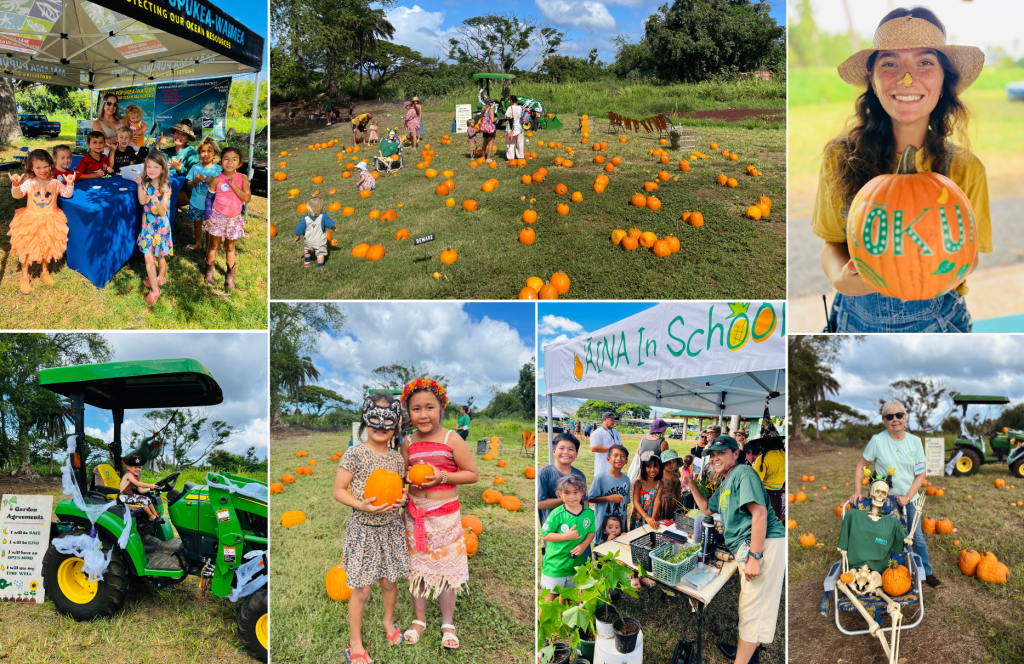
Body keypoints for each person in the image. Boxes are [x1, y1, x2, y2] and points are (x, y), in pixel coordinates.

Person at [813, 7, 989, 333]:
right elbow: (832, 243)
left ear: (944, 79)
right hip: (856, 321)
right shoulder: (839, 156)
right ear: (873, 80)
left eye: (925, 63)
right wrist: (841, 278)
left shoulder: (966, 169)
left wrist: (930, 269)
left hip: (938, 323)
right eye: (890, 64)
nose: (907, 79)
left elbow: (971, 254)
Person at [684, 436, 786, 664]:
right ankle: (748, 651)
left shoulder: (744, 474)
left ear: (736, 453)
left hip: (763, 545)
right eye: (712, 454)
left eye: (721, 452)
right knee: (752, 606)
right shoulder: (726, 481)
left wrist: (755, 558)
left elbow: (759, 514)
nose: (715, 457)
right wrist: (691, 484)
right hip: (749, 547)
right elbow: (707, 509)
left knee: (752, 610)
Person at [400, 378, 479, 649]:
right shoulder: (407, 442)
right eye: (416, 409)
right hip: (414, 516)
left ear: (441, 408)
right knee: (418, 569)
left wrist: (442, 476)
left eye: (430, 407)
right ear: (408, 412)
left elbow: (472, 474)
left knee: (447, 573)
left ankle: (448, 622)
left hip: (445, 518)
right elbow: (402, 477)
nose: (423, 415)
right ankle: (419, 620)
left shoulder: (451, 438)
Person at [333, 392, 411, 664]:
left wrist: (403, 499)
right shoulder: (355, 453)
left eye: (387, 420)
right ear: (364, 420)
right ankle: (355, 640)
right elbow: (338, 490)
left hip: (391, 529)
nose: (380, 425)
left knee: (389, 582)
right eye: (374, 418)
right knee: (363, 589)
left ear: (396, 424)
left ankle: (388, 622)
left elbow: (399, 490)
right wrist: (361, 505)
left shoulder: (396, 458)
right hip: (363, 529)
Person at [849, 399, 939, 588]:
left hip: (909, 498)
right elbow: (860, 466)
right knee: (882, 537)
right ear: (884, 420)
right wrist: (857, 491)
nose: (895, 419)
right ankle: (882, 572)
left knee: (917, 537)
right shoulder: (877, 440)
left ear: (905, 418)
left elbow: (921, 473)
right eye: (890, 416)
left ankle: (927, 572)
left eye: (899, 415)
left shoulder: (915, 442)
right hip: (883, 501)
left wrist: (908, 497)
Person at [7, 149, 75, 294]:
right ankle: (24, 276)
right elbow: (17, 196)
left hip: (50, 220)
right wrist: (15, 185)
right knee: (26, 247)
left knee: (47, 246)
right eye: (38, 167)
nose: (42, 170)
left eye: (45, 166)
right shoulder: (30, 183)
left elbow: (67, 194)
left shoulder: (55, 183)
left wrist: (70, 184)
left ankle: (44, 271)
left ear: (51, 165)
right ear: (31, 168)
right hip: (31, 220)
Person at [540, 474, 595, 602]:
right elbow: (545, 535)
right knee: (549, 600)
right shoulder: (557, 514)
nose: (572, 497)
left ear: (583, 493)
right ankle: (541, 622)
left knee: (568, 597)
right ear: (560, 494)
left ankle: (563, 620)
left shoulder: (589, 513)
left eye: (575, 492)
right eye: (566, 493)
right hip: (556, 566)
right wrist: (566, 536)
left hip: (576, 566)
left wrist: (583, 545)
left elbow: (591, 532)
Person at [205, 146, 250, 291]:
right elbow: (208, 200)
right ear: (220, 162)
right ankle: (209, 271)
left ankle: (230, 276)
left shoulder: (242, 178)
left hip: (233, 219)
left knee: (230, 247)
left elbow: (247, 198)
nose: (230, 162)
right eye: (226, 158)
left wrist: (233, 185)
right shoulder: (217, 180)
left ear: (240, 164)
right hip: (217, 218)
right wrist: (207, 217)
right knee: (214, 245)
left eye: (234, 159)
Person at [134, 152, 172, 306]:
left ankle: (161, 277)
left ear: (162, 170)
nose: (151, 169)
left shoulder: (165, 187)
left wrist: (157, 201)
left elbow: (162, 212)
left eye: (156, 167)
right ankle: (155, 290)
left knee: (160, 256)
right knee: (148, 257)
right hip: (147, 228)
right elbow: (142, 202)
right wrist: (139, 186)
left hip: (161, 228)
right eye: (149, 166)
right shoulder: (146, 184)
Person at [537, 433, 588, 530]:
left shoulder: (580, 475)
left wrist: (585, 520)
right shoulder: (544, 473)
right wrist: (565, 499)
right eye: (561, 448)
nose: (566, 452)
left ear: (576, 454)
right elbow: (539, 503)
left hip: (576, 526)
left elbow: (584, 500)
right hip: (554, 530)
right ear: (554, 451)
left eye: (571, 449)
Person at [184, 137, 222, 252]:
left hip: (211, 207)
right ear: (199, 152)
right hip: (196, 204)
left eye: (209, 151)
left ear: (215, 152)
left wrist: (212, 183)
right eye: (203, 151)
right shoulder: (195, 167)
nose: (206, 154)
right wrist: (196, 181)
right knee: (197, 225)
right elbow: (189, 185)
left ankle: (209, 248)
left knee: (209, 227)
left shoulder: (218, 169)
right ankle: (198, 243)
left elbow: (221, 189)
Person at [588, 444, 630, 546]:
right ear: (608, 459)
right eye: (615, 455)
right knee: (602, 554)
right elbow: (590, 498)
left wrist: (625, 528)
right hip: (603, 526)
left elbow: (625, 505)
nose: (619, 458)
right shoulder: (600, 478)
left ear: (626, 460)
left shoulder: (626, 479)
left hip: (619, 527)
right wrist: (608, 498)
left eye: (622, 456)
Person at [156, 120, 200, 207]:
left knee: (160, 195)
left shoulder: (192, 152)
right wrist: (157, 145)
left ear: (188, 139)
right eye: (177, 133)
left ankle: (166, 219)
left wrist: (180, 169)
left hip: (184, 190)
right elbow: (155, 160)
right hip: (166, 185)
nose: (178, 136)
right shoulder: (169, 150)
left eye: (183, 134)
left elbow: (194, 175)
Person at [293, 196, 335, 268]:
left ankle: (307, 262)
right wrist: (334, 228)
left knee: (307, 251)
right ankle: (320, 266)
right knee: (320, 254)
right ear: (321, 207)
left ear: (308, 208)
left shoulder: (305, 218)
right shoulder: (323, 216)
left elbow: (300, 228)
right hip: (319, 241)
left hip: (308, 241)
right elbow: (329, 224)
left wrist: (297, 236)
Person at [117, 454, 160, 522]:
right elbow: (137, 483)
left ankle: (156, 516)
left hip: (131, 496)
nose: (138, 469)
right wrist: (150, 485)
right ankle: (151, 517)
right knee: (143, 501)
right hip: (123, 497)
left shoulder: (136, 477)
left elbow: (141, 491)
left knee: (148, 499)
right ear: (129, 467)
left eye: (139, 467)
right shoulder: (128, 475)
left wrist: (152, 488)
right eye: (135, 467)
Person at [628, 418, 670, 484]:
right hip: (655, 474)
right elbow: (667, 460)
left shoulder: (643, 438)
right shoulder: (663, 442)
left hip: (641, 473)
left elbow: (638, 452)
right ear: (663, 430)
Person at [589, 411, 621, 479]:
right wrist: (611, 449)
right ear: (605, 419)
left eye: (614, 421)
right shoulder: (597, 432)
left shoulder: (615, 432)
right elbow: (593, 448)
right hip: (602, 468)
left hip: (615, 467)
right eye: (611, 420)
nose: (613, 422)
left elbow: (620, 445)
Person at [658, 449, 683, 520]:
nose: (671, 464)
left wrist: (680, 507)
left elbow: (678, 492)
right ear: (662, 463)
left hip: (673, 505)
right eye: (668, 462)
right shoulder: (659, 477)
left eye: (674, 462)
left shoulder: (676, 477)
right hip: (660, 505)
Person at [504, 95, 524, 161]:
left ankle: (511, 158)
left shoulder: (510, 108)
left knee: (510, 143)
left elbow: (505, 116)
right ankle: (520, 157)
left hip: (512, 128)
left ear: (511, 101)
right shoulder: (520, 107)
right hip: (520, 127)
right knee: (520, 143)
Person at [478, 99, 497, 163]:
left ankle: (483, 156)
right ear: (488, 103)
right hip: (490, 128)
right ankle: (488, 158)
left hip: (484, 128)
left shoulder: (484, 109)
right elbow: (492, 120)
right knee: (490, 143)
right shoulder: (491, 110)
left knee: (484, 143)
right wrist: (496, 118)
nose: (493, 102)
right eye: (491, 101)